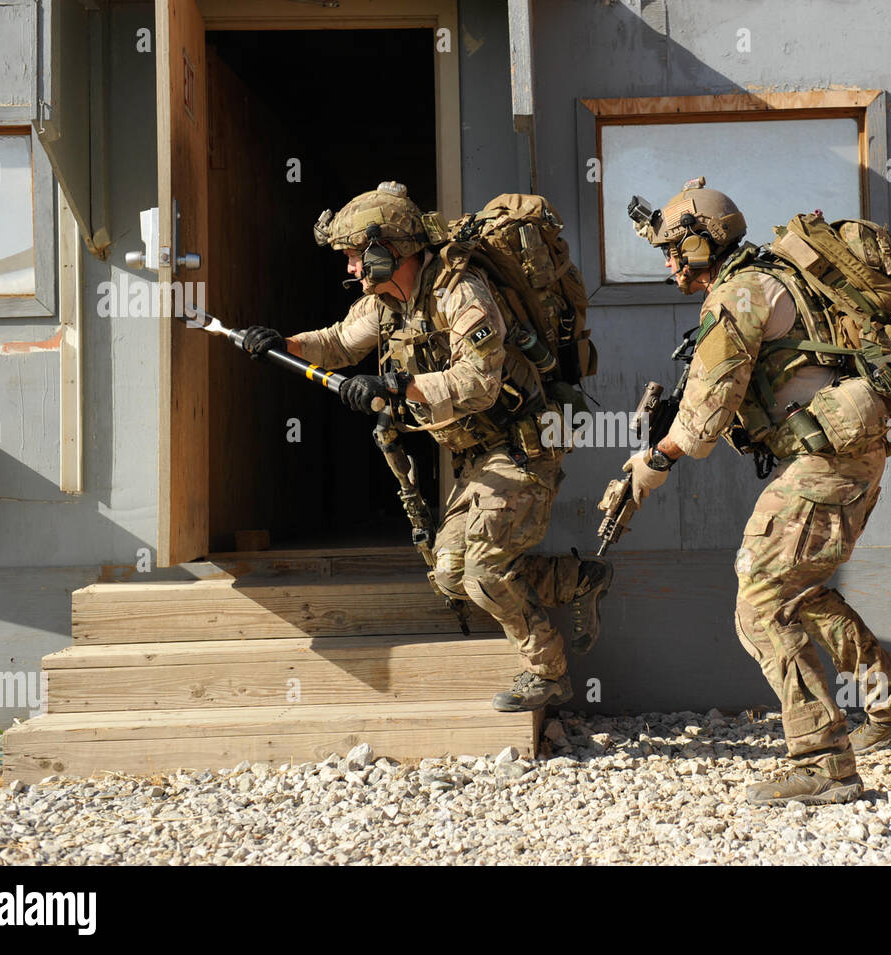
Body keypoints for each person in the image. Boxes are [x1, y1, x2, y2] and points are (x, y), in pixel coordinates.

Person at [240, 182, 612, 711]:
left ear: (384, 250)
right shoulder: (388, 303)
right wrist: (284, 344)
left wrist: (396, 388)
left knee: (484, 572)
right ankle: (577, 579)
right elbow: (342, 343)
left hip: (524, 445)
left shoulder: (462, 291)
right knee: (451, 575)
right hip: (479, 454)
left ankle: (548, 672)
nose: (349, 270)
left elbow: (481, 382)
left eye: (352, 257)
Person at [622, 177, 891, 805]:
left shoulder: (737, 295)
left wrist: (651, 462)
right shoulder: (778, 275)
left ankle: (823, 762)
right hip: (850, 453)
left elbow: (704, 419)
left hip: (824, 463)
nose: (671, 263)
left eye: (676, 249)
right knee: (801, 586)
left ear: (707, 243)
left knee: (759, 603)